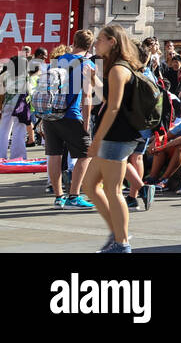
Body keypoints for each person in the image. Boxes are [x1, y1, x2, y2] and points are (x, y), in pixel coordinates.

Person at [84, 25, 146, 253]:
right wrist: (94, 81)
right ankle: (118, 234)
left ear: (112, 41)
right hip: (114, 135)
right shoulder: (115, 68)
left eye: (100, 39)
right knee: (90, 186)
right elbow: (108, 99)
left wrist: (97, 140)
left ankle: (121, 243)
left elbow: (113, 108)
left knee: (113, 190)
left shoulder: (118, 69)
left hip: (116, 136)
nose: (96, 42)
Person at [41, 29, 96, 209]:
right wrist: (86, 124)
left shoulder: (57, 60)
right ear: (90, 46)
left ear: (74, 41)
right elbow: (88, 97)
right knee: (86, 153)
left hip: (50, 114)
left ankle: (59, 197)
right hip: (71, 114)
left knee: (54, 154)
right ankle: (74, 195)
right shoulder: (87, 63)